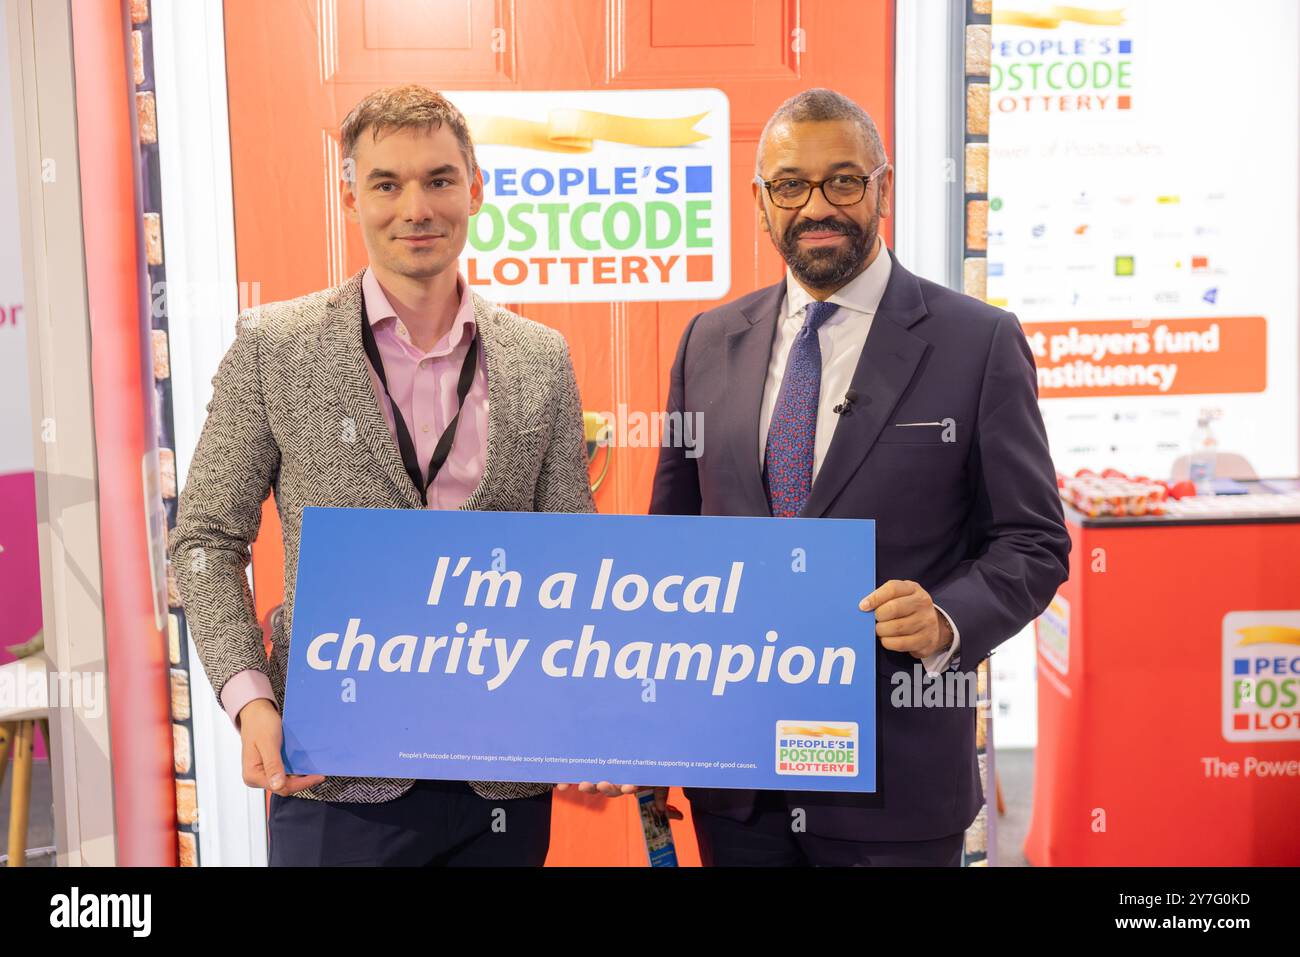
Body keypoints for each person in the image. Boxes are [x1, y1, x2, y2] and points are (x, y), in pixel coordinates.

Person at [615, 87, 1070, 866]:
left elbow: (1032, 541)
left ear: (883, 188)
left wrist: (946, 619)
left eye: (844, 181)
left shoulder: (978, 342)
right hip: (738, 779)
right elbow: (675, 548)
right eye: (790, 184)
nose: (817, 205)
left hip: (895, 785)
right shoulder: (708, 341)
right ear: (761, 204)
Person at [170, 85, 594, 866]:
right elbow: (203, 538)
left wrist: (585, 714)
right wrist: (250, 695)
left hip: (502, 778)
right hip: (335, 775)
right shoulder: (276, 345)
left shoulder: (541, 358)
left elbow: (570, 552)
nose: (415, 208)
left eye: (438, 179)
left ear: (475, 186)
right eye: (386, 183)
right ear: (351, 195)